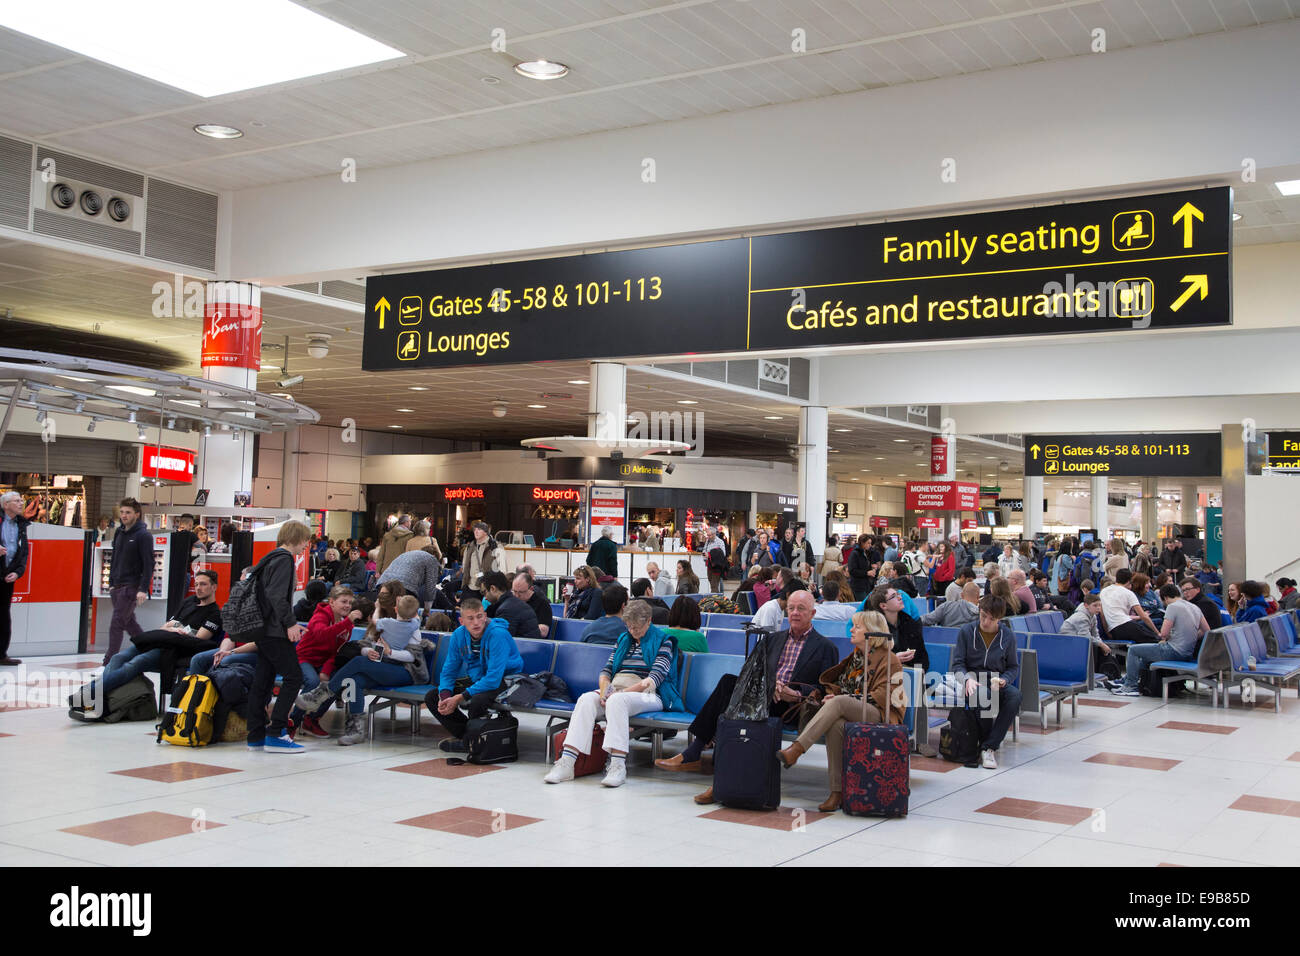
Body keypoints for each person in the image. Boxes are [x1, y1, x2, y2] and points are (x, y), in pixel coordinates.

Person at [661, 591, 838, 797]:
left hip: (790, 706)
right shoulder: (772, 639)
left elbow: (825, 687)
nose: (795, 613)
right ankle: (716, 777)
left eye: (801, 609)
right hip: (762, 697)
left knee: (732, 704)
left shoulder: (826, 647)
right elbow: (751, 671)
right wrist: (770, 685)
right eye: (791, 608)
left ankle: (699, 756)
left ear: (813, 613)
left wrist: (797, 692)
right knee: (732, 692)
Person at [545, 600, 683, 788]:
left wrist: (618, 694)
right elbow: (607, 671)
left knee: (617, 701)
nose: (633, 631)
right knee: (586, 699)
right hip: (617, 689)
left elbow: (653, 679)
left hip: (650, 694)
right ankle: (567, 762)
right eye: (629, 626)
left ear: (649, 621)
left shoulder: (664, 641)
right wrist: (604, 691)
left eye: (637, 627)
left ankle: (618, 765)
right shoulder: (624, 639)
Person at [776, 609, 905, 811]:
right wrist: (835, 695)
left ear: (872, 631)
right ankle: (837, 792)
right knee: (836, 725)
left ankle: (797, 749)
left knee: (838, 703)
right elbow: (843, 687)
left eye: (857, 626)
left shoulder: (890, 659)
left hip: (880, 712)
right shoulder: (856, 656)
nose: (851, 630)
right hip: (854, 709)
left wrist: (844, 699)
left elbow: (886, 696)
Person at [72, 569, 224, 713]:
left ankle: (89, 693)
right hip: (159, 640)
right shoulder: (189, 602)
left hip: (173, 650)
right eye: (196, 584)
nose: (198, 588)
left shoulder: (214, 613)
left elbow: (200, 638)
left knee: (135, 663)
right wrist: (176, 628)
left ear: (214, 587)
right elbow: (165, 626)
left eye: (203, 584)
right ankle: (101, 699)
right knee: (119, 657)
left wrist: (176, 626)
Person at [305, 594, 427, 745]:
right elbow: (363, 645)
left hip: (405, 672)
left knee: (359, 662)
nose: (380, 601)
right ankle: (356, 731)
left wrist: (390, 652)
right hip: (381, 668)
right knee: (354, 680)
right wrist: (367, 651)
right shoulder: (382, 624)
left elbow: (412, 657)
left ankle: (322, 694)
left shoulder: (410, 627)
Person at [245, 520, 313, 753]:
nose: (306, 545)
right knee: (294, 677)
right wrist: (291, 623)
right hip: (275, 631)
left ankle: (255, 736)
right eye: (305, 539)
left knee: (262, 680)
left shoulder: (269, 559)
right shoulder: (284, 560)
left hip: (262, 630)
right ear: (295, 537)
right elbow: (277, 597)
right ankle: (276, 732)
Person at [426, 597, 522, 752]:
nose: (476, 623)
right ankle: (471, 740)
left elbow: (493, 679)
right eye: (470, 618)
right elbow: (449, 670)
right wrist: (445, 696)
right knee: (432, 697)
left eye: (479, 616)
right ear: (461, 621)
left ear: (485, 615)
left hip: (506, 679)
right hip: (480, 678)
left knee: (478, 700)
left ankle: (471, 741)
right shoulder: (458, 635)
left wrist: (460, 697)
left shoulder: (498, 635)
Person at [951, 595, 1021, 769]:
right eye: (983, 616)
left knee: (1015, 696)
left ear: (999, 619)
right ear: (979, 612)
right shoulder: (967, 631)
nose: (986, 622)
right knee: (982, 696)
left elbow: (1013, 667)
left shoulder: (1007, 636)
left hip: (996, 680)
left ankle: (989, 744)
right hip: (972, 680)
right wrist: (966, 679)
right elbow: (958, 664)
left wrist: (1005, 680)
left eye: (992, 618)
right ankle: (988, 747)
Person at [288, 584, 364, 738]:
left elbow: (335, 651)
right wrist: (346, 622)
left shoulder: (345, 624)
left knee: (336, 683)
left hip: (322, 662)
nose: (347, 606)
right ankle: (292, 722)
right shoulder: (321, 616)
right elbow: (321, 635)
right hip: (304, 658)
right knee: (312, 681)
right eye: (344, 601)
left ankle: (311, 720)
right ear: (332, 602)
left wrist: (326, 671)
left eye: (350, 603)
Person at [1111, 584, 1210, 697]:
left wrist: (1168, 637)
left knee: (1133, 650)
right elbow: (1206, 630)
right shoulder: (1194, 607)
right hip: (1187, 653)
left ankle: (1130, 686)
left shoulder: (1172, 607)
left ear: (1165, 598)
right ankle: (1131, 682)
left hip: (1173, 650)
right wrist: (1190, 636)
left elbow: (1163, 634)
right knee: (1146, 656)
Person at [103, 498, 154, 666]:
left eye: (128, 512)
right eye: (122, 512)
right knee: (129, 623)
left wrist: (143, 589)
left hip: (131, 586)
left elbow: (149, 563)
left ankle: (108, 662)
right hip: (117, 586)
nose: (124, 516)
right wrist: (111, 582)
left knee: (117, 623)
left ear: (137, 514)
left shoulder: (143, 536)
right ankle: (149, 650)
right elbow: (115, 557)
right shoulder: (119, 532)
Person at [1059, 592, 1121, 684]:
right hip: (1067, 642)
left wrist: (1102, 644)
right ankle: (1090, 675)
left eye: (1100, 605)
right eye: (1095, 605)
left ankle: (1097, 674)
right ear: (1086, 605)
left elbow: (1096, 634)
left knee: (1097, 646)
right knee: (1094, 646)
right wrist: (1101, 644)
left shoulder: (1093, 616)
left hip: (1077, 641)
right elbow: (1085, 636)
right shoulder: (1081, 617)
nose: (1098, 608)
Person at [866, 585, 928, 670]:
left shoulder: (910, 622)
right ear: (883, 606)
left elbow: (922, 657)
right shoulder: (874, 629)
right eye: (893, 596)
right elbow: (869, 662)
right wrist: (892, 659)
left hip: (910, 676)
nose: (900, 597)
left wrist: (917, 676)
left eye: (898, 594)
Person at [0, 491, 30, 665]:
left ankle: (2, 654)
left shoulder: (21, 525)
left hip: (7, 577)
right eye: (17, 501)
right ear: (6, 505)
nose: (21, 503)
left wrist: (19, 572)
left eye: (21, 500)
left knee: (4, 616)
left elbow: (24, 552)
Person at [377, 548, 444, 618]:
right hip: (405, 586)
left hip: (383, 582)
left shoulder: (409, 554)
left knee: (383, 615)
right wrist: (427, 610)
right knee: (404, 617)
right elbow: (430, 589)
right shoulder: (432, 561)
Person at [1099, 568, 1159, 645]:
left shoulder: (1104, 591)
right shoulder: (1128, 593)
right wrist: (1157, 633)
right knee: (1155, 640)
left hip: (1114, 630)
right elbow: (1144, 616)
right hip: (1126, 625)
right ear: (1129, 581)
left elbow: (1102, 615)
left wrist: (1108, 632)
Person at [481, 571, 541, 640]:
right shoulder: (513, 603)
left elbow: (502, 641)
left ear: (492, 588)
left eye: (484, 592)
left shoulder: (505, 610)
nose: (485, 598)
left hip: (523, 650)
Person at [460, 521, 498, 599]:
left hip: (487, 587)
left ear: (485, 532)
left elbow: (500, 568)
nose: (476, 531)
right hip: (470, 585)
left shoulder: (494, 546)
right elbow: (465, 564)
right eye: (475, 529)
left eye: (479, 529)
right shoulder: (470, 546)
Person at [511, 571, 553, 636]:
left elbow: (543, 631)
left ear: (531, 589)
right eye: (514, 591)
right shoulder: (511, 601)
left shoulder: (542, 604)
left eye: (521, 592)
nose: (516, 596)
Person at [847, 533, 878, 601]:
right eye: (868, 543)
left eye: (870, 543)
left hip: (866, 584)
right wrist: (867, 573)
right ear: (862, 543)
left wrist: (872, 567)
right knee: (863, 604)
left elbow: (865, 567)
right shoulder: (855, 554)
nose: (870, 545)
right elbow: (852, 570)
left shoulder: (867, 552)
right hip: (858, 585)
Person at [700, 526, 728, 592]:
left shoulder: (720, 542)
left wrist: (710, 554)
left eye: (709, 535)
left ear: (714, 534)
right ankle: (717, 597)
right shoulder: (708, 541)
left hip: (716, 567)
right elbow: (704, 549)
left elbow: (723, 553)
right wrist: (704, 554)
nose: (708, 537)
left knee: (714, 585)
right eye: (707, 535)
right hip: (709, 565)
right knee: (712, 584)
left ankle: (715, 599)